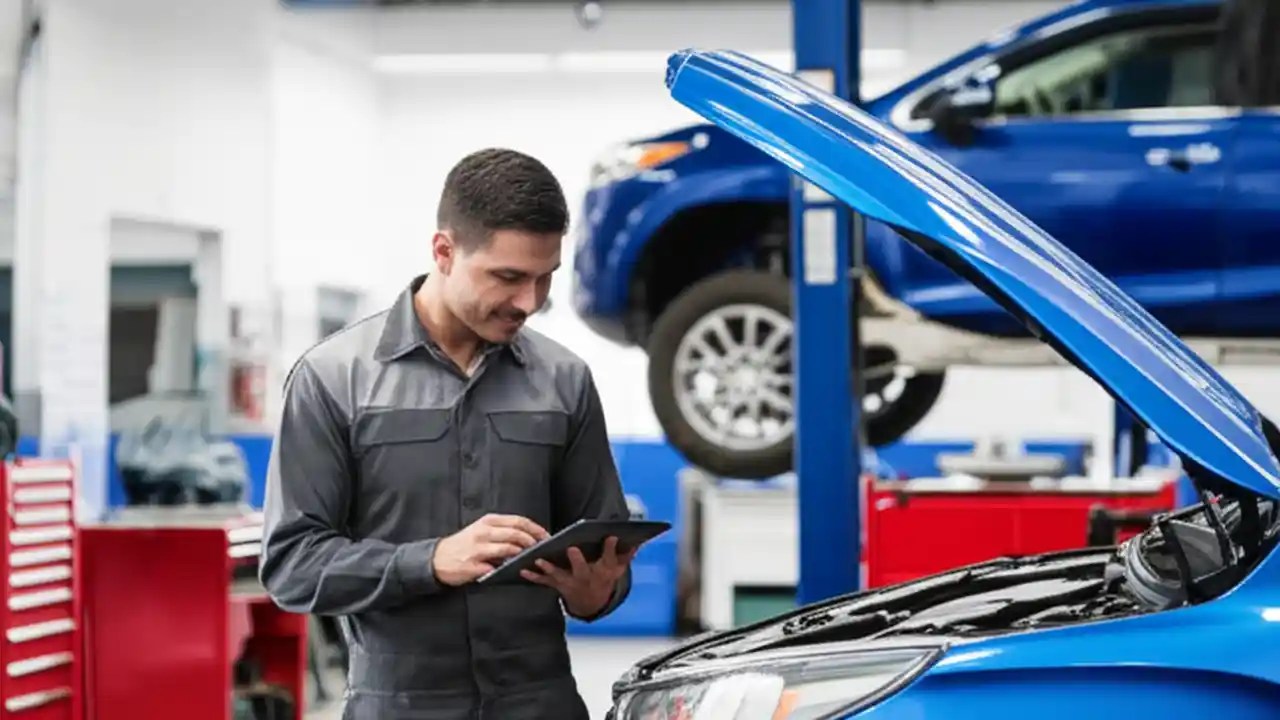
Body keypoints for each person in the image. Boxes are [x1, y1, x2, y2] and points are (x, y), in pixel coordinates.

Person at [259, 148, 635, 720]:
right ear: (444, 251)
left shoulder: (565, 381)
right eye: (508, 277)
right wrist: (430, 561)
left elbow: (603, 550)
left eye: (544, 279)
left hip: (541, 703)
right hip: (400, 705)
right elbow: (292, 566)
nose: (528, 303)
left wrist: (598, 594)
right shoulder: (334, 379)